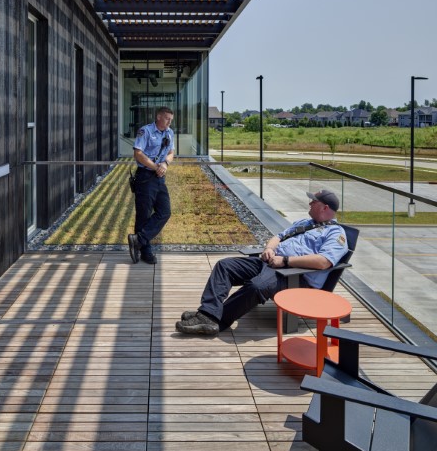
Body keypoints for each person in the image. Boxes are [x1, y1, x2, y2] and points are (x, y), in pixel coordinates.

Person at [175, 189, 347, 335]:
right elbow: (278, 237)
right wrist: (269, 249)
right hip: (270, 263)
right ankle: (208, 312)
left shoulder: (335, 234)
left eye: (313, 201)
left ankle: (216, 320)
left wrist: (286, 261)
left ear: (325, 207)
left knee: (257, 286)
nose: (309, 203)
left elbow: (324, 262)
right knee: (225, 265)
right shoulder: (305, 223)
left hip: (293, 276)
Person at [128, 106, 175, 265]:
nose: (169, 122)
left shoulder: (170, 132)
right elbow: (138, 153)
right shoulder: (145, 131)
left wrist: (166, 164)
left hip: (160, 177)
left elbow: (171, 152)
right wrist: (155, 167)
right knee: (144, 214)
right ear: (158, 117)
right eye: (167, 118)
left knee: (165, 211)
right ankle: (145, 251)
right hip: (145, 176)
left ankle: (138, 240)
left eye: (171, 119)